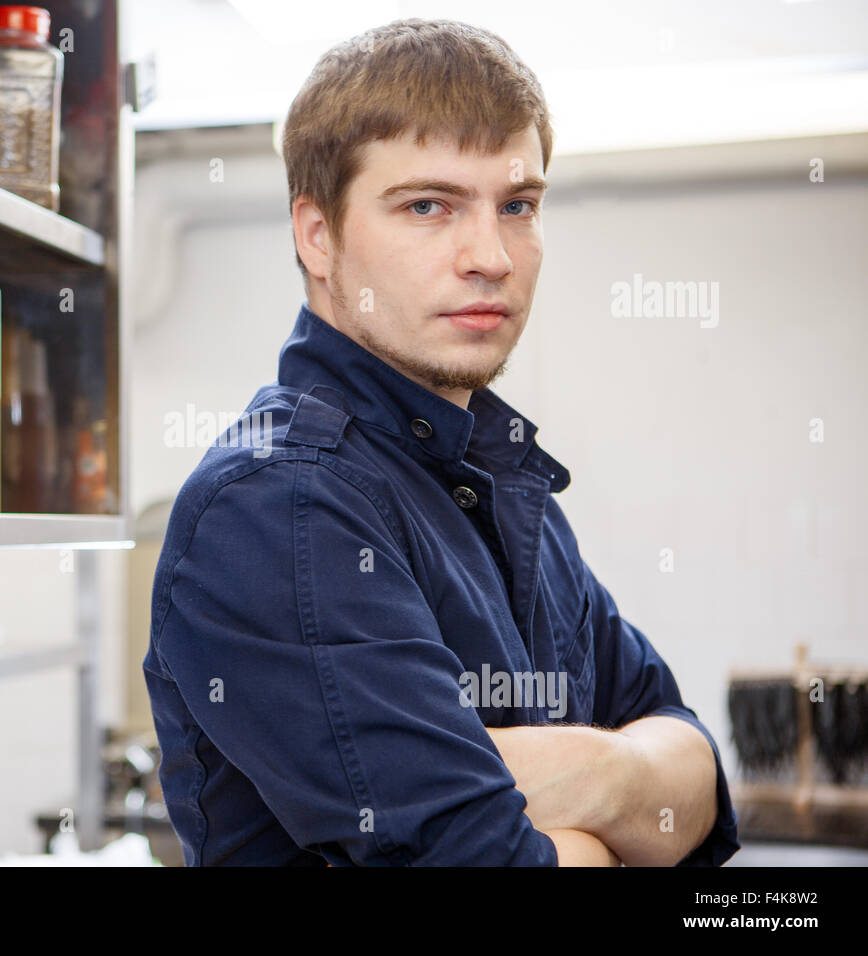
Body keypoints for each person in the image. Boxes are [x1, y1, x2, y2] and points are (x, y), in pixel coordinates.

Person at [142, 18, 739, 866]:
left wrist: (588, 772)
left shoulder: (497, 480)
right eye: (429, 206)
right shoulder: (279, 505)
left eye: (518, 206)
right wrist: (611, 831)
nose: (491, 256)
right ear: (317, 235)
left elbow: (699, 788)